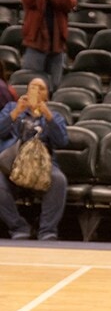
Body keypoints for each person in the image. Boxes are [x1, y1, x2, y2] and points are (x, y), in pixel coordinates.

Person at [0, 76, 68, 241]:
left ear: (47, 95)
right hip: (13, 162)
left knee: (58, 180)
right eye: (32, 87)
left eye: (41, 88)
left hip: (43, 163)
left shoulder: (55, 115)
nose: (36, 91)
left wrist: (48, 115)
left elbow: (62, 142)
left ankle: (47, 231)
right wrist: (16, 112)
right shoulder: (11, 107)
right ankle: (18, 227)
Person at [20, 0, 77, 93]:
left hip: (56, 47)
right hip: (36, 45)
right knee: (32, 87)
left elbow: (70, 5)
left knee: (55, 86)